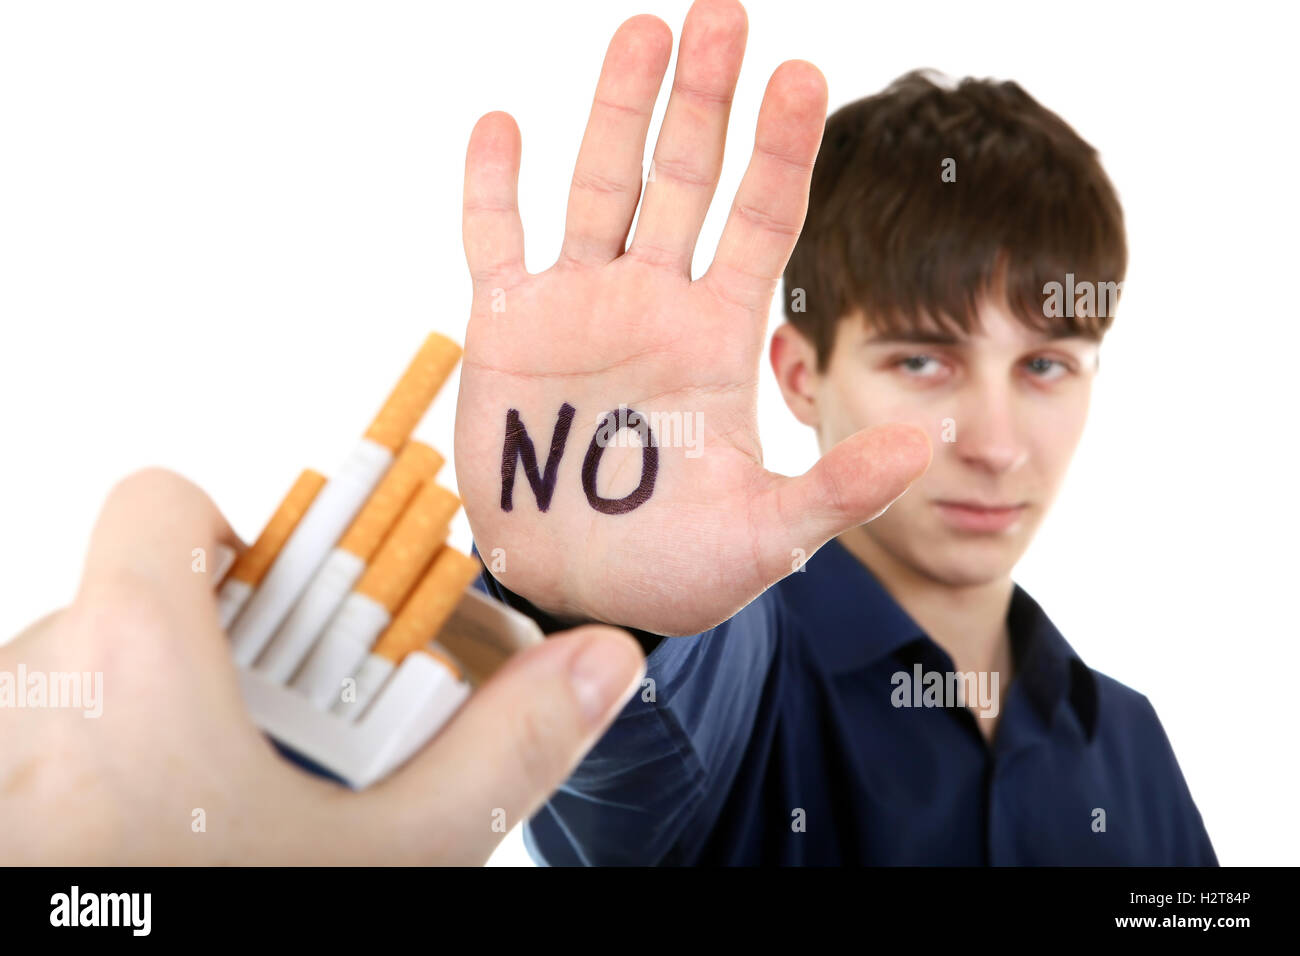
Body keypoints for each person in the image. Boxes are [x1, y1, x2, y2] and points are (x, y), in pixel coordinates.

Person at [455, 0, 1217, 864]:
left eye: (1045, 366)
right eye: (923, 363)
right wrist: (589, 613)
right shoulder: (733, 674)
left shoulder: (1131, 742)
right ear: (800, 375)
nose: (997, 446)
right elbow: (633, 740)